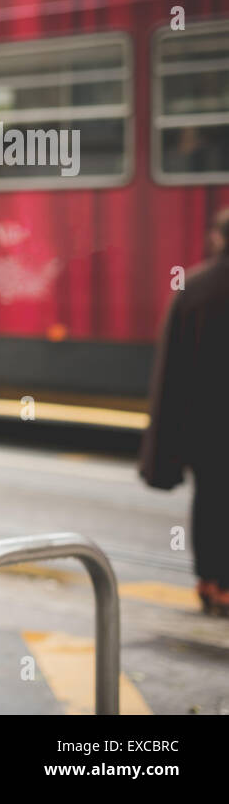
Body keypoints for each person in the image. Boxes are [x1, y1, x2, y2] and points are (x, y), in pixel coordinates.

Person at [139, 205, 229, 617]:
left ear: (218, 239)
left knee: (209, 499)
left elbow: (171, 374)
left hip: (205, 426)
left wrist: (165, 448)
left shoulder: (193, 290)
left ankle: (210, 579)